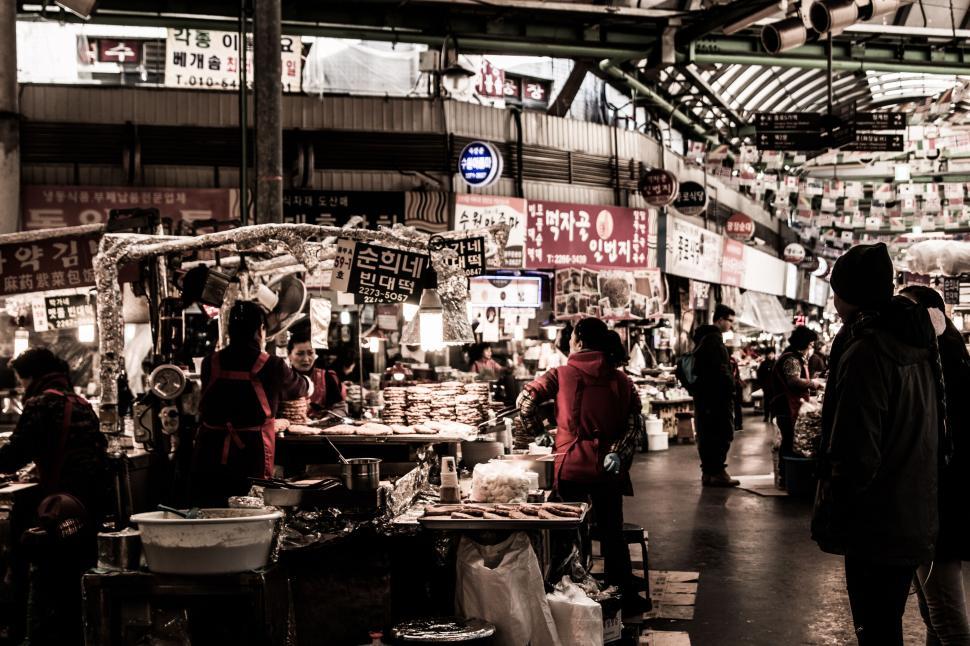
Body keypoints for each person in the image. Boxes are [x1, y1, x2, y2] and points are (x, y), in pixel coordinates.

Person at [812, 243, 941, 646]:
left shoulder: (866, 350)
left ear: (848, 294)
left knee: (876, 628)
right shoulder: (916, 342)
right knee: (886, 625)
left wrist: (839, 506)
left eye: (836, 291)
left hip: (876, 521)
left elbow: (855, 449)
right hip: (911, 509)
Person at [517, 318, 646, 614]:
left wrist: (536, 431)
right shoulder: (622, 380)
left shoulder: (560, 374)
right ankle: (621, 596)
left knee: (569, 535)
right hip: (607, 469)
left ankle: (570, 598)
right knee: (612, 532)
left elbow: (525, 400)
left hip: (569, 464)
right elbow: (634, 423)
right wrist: (618, 453)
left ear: (578, 341)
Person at [0, 348, 109, 645]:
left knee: (46, 581)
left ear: (31, 376)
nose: (22, 387)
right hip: (87, 508)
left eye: (21, 380)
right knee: (77, 580)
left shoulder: (40, 403)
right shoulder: (81, 402)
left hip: (57, 509)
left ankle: (36, 636)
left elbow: (14, 455)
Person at [900, 285, 970, 646]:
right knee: (933, 611)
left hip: (937, 503)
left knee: (944, 612)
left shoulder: (942, 361)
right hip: (934, 501)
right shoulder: (943, 355)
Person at [192, 301, 310, 507]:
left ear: (230, 330)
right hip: (251, 453)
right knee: (249, 507)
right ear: (261, 330)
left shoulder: (210, 362)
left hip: (211, 449)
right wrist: (309, 384)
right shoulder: (272, 365)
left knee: (212, 508)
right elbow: (299, 389)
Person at [691, 304, 739, 487]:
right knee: (722, 432)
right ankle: (718, 472)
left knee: (707, 434)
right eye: (729, 321)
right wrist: (732, 387)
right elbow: (721, 371)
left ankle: (709, 472)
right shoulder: (714, 341)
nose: (730, 325)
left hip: (704, 398)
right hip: (717, 398)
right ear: (719, 320)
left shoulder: (702, 340)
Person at [769, 326, 823, 485]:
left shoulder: (794, 356)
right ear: (804, 343)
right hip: (786, 406)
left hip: (791, 405)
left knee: (790, 439)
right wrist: (813, 383)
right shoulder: (791, 359)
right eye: (811, 344)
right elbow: (793, 381)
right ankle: (787, 477)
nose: (811, 347)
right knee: (789, 440)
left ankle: (787, 476)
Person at [287, 333, 348, 418]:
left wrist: (324, 421)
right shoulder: (282, 379)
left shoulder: (326, 377)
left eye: (310, 353)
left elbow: (340, 408)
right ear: (289, 355)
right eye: (300, 354)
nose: (306, 359)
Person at [756, 348, 777, 422]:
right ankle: (766, 416)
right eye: (769, 354)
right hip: (766, 386)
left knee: (774, 401)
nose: (771, 355)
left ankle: (773, 416)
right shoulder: (763, 364)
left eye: (772, 354)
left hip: (775, 386)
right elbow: (759, 375)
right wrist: (762, 385)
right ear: (766, 355)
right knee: (767, 401)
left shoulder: (777, 363)